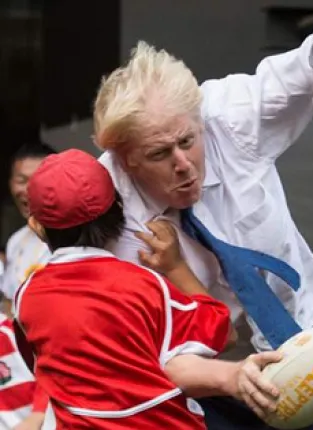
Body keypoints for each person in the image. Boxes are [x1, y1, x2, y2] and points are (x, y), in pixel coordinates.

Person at [92, 9, 313, 429]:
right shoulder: (105, 210)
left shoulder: (229, 118)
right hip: (196, 389)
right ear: (127, 162)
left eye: (187, 141)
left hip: (303, 353)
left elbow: (309, 66)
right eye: (160, 154)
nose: (183, 163)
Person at [12, 149, 276, 428]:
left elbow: (41, 366)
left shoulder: (26, 296)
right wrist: (176, 267)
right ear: (119, 210)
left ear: (37, 227)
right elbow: (224, 335)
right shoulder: (145, 286)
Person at [2, 143, 55, 314]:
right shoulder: (15, 242)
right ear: (10, 183)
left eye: (37, 181)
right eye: (21, 180)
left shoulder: (74, 236)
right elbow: (10, 303)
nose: (28, 190)